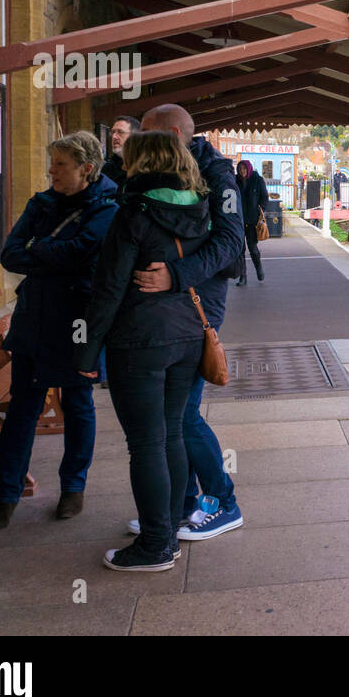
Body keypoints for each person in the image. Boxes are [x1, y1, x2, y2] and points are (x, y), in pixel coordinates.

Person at [76, 131, 212, 570]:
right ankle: (167, 527)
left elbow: (109, 287)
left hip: (138, 339)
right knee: (170, 433)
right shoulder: (199, 206)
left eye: (128, 157)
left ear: (143, 162)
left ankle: (155, 545)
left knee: (146, 444)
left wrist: (86, 351)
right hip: (188, 335)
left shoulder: (132, 213)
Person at [0, 131, 118, 532]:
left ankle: (73, 489)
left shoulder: (107, 208)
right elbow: (10, 254)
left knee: (77, 404)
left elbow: (83, 253)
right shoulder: (41, 203)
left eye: (61, 165)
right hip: (34, 318)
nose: (51, 171)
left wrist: (38, 249)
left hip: (77, 322)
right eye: (52, 163)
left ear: (87, 169)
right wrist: (54, 253)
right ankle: (5, 497)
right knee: (22, 409)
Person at [130, 103, 245, 541]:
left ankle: (223, 502)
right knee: (169, 415)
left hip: (198, 304)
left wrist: (176, 275)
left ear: (174, 132)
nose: (139, 141)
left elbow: (231, 241)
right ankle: (180, 505)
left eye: (147, 133)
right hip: (169, 305)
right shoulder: (158, 169)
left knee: (184, 416)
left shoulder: (217, 174)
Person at [235, 159, 269, 286]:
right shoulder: (234, 181)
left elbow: (265, 198)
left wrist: (260, 211)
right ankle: (243, 277)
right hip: (238, 220)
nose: (241, 171)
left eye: (244, 168)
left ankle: (259, 269)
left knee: (253, 248)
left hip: (252, 220)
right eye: (239, 169)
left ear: (248, 169)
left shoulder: (257, 180)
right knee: (240, 250)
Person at [101, 115, 140, 190]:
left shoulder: (145, 167)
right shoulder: (108, 168)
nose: (114, 137)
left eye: (120, 132)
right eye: (113, 132)